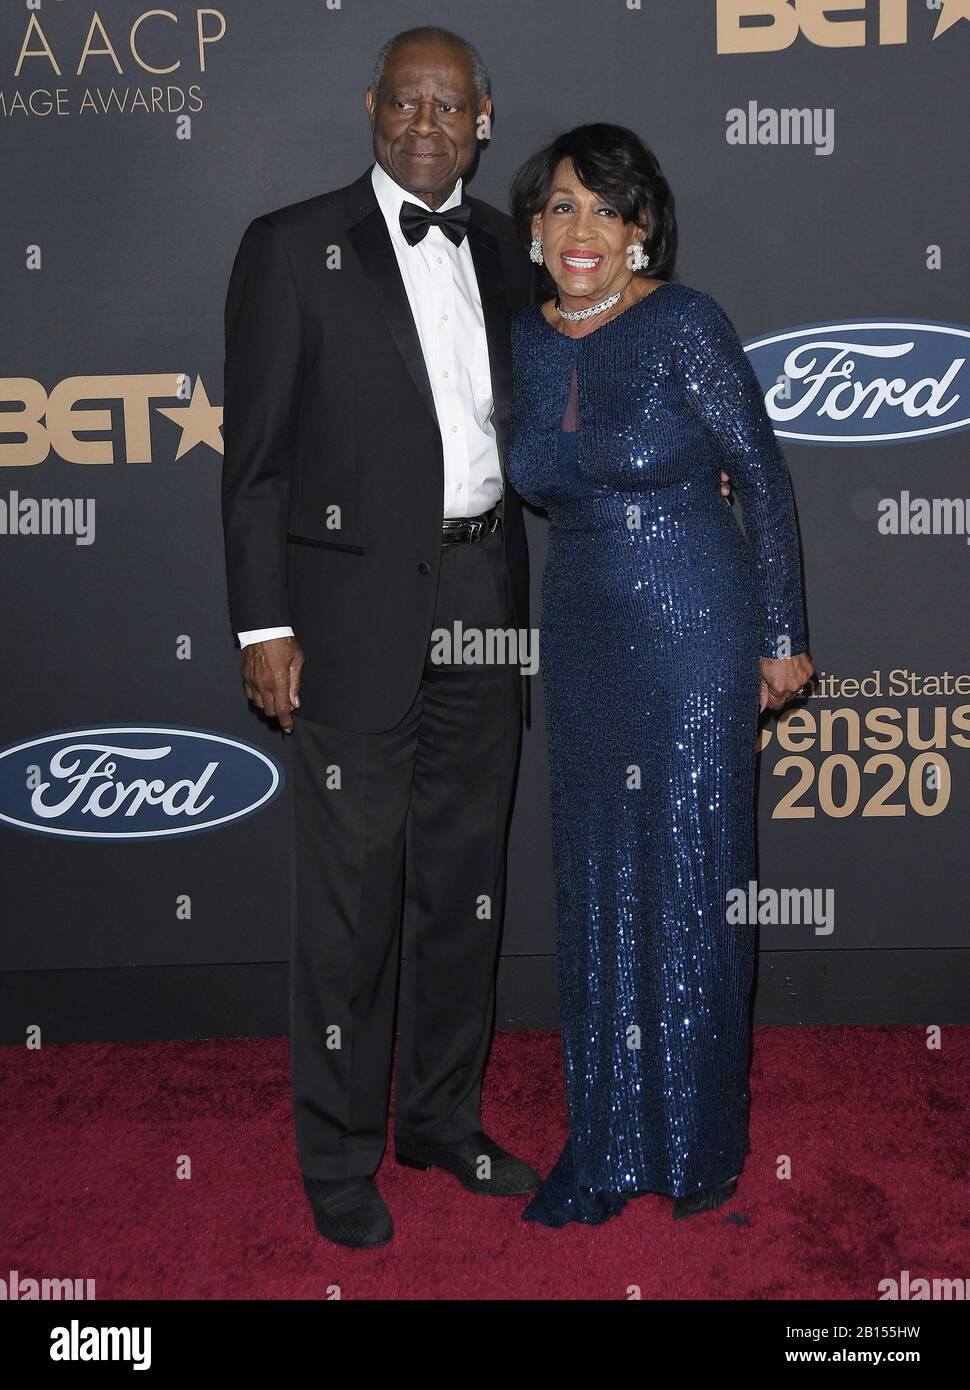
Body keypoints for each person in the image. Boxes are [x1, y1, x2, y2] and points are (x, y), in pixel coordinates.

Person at [221, 27, 542, 1248]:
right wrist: (263, 622)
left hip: (483, 602)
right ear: (369, 107)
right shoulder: (291, 248)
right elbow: (252, 468)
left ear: (483, 121)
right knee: (351, 908)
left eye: (448, 105)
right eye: (404, 100)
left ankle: (441, 1119)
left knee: (464, 892)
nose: (425, 122)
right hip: (346, 623)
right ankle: (340, 1155)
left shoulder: (506, 251)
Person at [506, 124, 815, 1226]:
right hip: (581, 630)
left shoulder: (687, 323)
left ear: (641, 229)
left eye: (604, 208)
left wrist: (781, 633)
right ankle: (610, 1136)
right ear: (535, 231)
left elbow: (760, 478)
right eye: (559, 207)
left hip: (694, 623)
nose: (580, 229)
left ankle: (699, 1145)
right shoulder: (529, 342)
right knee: (596, 883)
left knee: (690, 870)